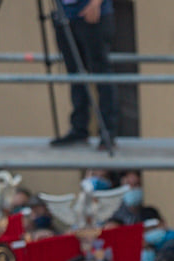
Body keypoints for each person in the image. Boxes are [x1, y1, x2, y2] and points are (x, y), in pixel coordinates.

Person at [48, 0, 119, 152]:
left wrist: (95, 3)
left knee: (101, 74)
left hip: (91, 12)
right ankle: (79, 129)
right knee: (75, 75)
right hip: (65, 14)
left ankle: (108, 132)